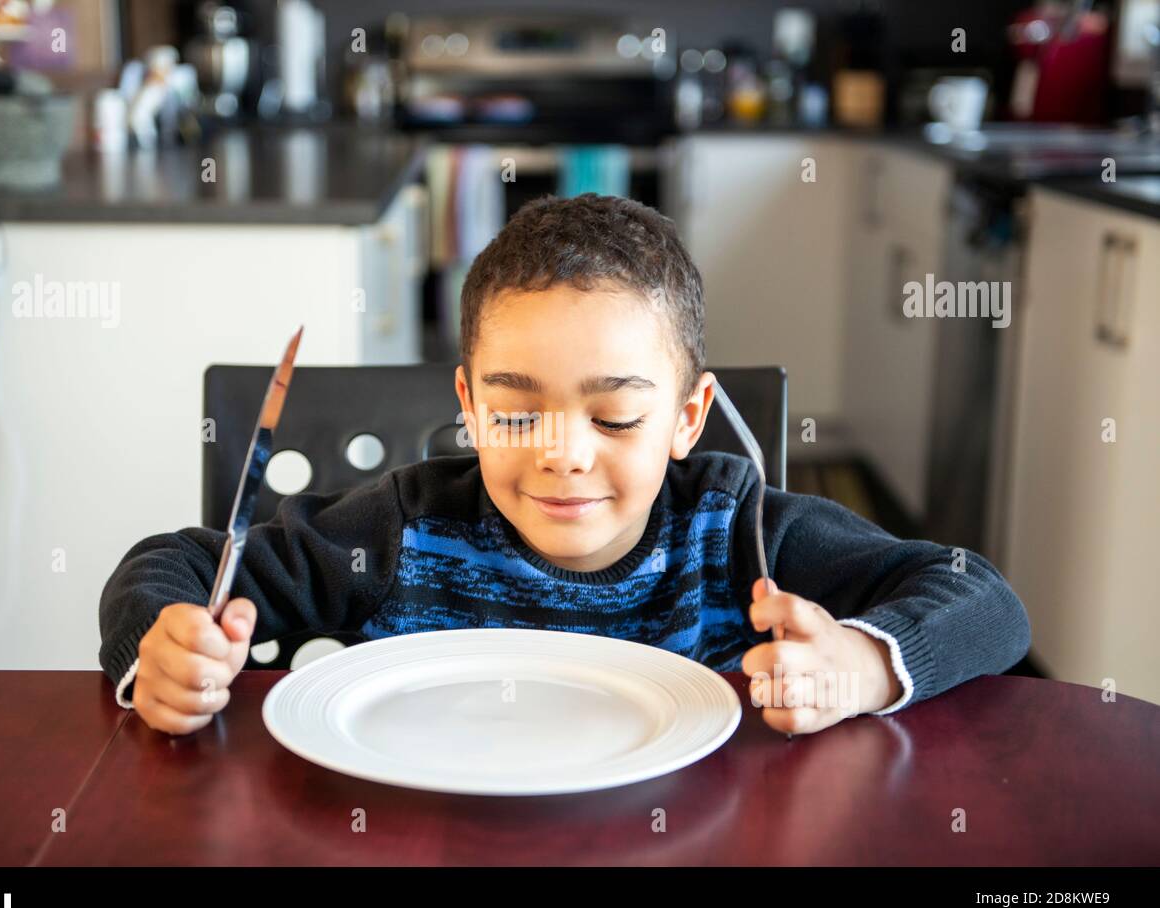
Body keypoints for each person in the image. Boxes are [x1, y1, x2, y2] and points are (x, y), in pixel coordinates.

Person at [98, 193, 1030, 737]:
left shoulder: (737, 531)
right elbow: (167, 562)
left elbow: (985, 599)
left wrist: (864, 664)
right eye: (514, 410)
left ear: (685, 417)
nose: (563, 452)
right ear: (467, 409)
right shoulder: (403, 527)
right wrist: (164, 646)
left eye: (617, 413)